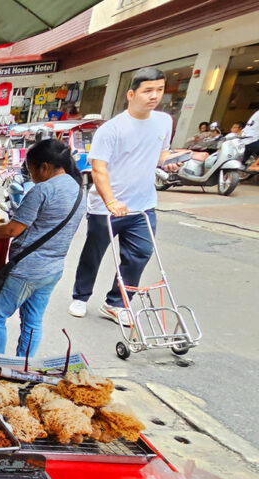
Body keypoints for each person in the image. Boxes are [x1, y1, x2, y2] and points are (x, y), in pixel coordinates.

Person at [68, 66, 185, 326]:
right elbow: (98, 169)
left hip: (143, 205)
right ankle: (80, 296)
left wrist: (170, 162)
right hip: (106, 206)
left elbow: (160, 153)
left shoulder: (164, 121)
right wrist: (110, 200)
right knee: (94, 252)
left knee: (139, 254)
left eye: (159, 90)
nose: (154, 96)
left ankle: (117, 302)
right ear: (131, 94)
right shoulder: (111, 129)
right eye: (148, 91)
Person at [0, 139, 86, 359]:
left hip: (28, 270)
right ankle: (22, 368)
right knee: (32, 321)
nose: (31, 175)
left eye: (31, 169)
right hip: (53, 269)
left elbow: (11, 230)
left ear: (44, 166)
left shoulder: (43, 190)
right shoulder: (79, 191)